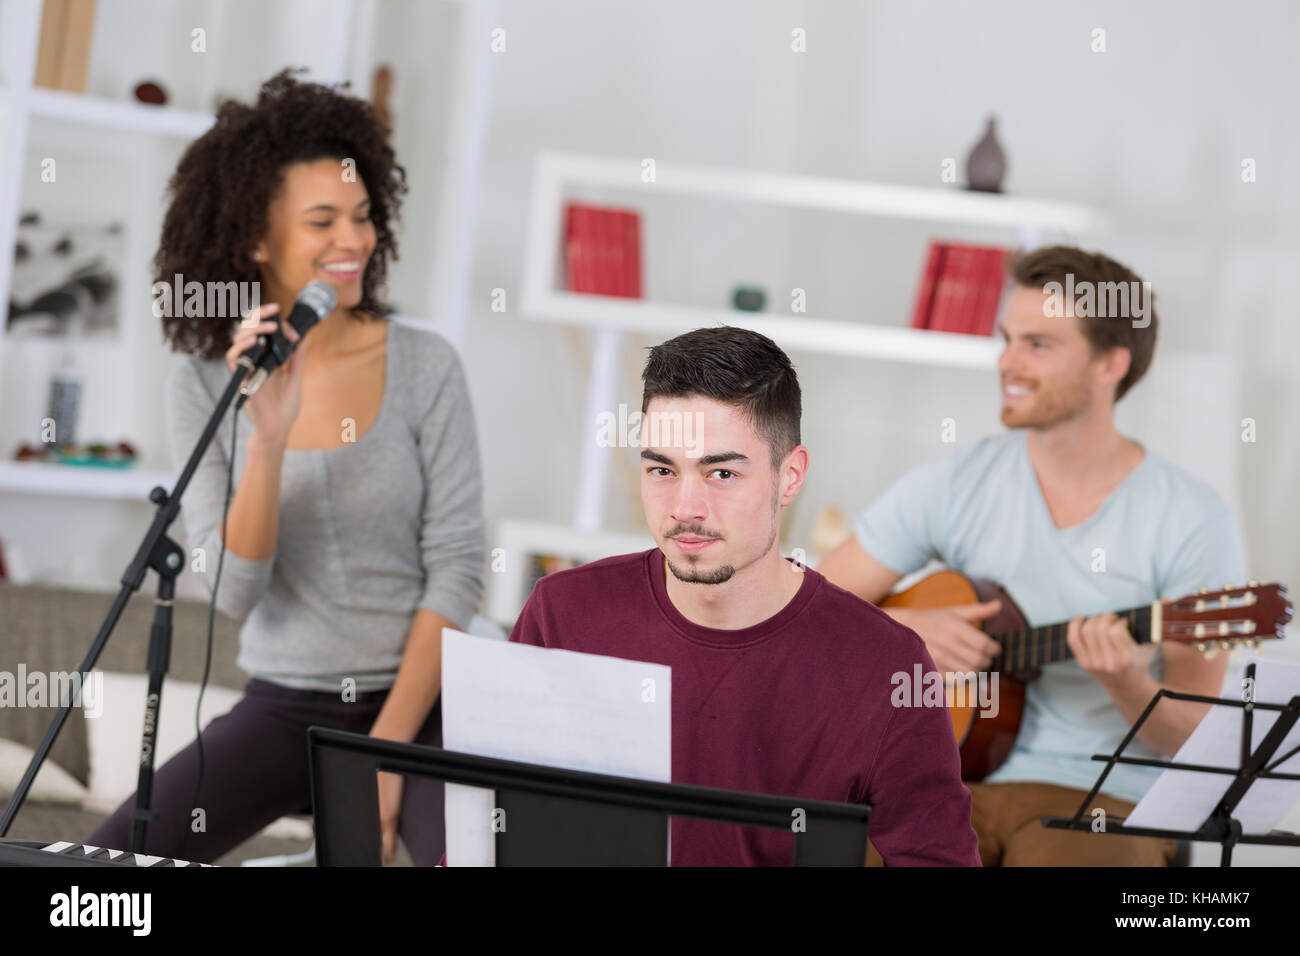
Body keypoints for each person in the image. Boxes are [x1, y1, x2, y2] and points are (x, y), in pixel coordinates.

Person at [87, 71, 485, 866]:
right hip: (286, 703)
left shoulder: (425, 364)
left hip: (426, 699)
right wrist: (265, 436)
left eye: (364, 215)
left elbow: (458, 570)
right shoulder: (206, 385)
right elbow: (234, 591)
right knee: (98, 881)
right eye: (323, 220)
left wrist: (383, 754)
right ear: (256, 240)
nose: (355, 240)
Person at [819, 245, 1247, 866]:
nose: (1007, 363)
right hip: (941, 783)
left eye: (1039, 345)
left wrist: (1128, 686)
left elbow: (1192, 740)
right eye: (1007, 339)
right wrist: (903, 631)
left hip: (1099, 802)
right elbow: (804, 606)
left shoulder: (1192, 518)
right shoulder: (960, 479)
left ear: (1110, 365)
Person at [509, 326, 980, 866]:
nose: (685, 507)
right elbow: (488, 824)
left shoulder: (888, 663)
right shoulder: (562, 612)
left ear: (790, 476)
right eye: (662, 470)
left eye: (722, 473)